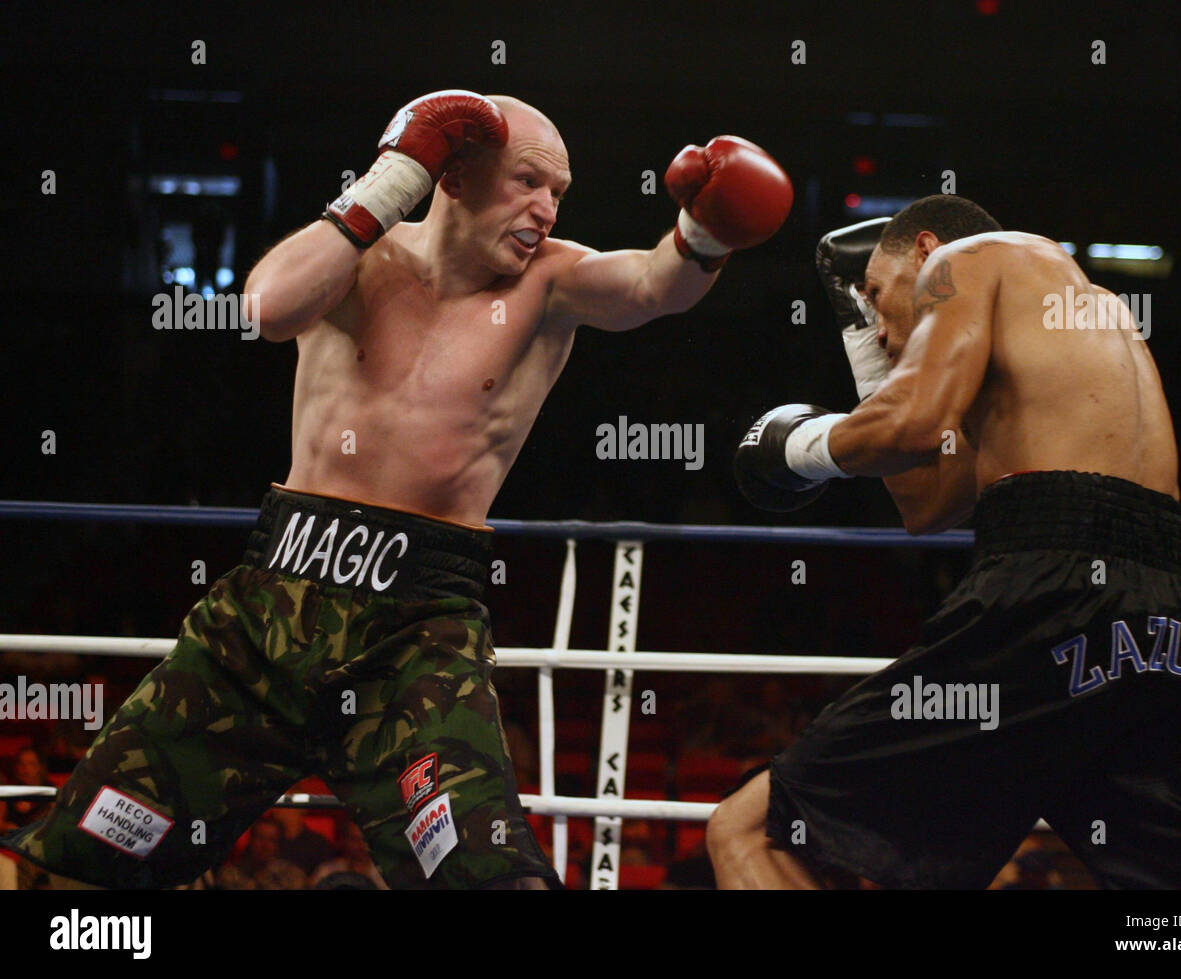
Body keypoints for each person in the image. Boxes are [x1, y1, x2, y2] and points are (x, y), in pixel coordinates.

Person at [3, 90, 792, 890]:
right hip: (268, 614)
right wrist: (392, 178)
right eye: (526, 182)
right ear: (451, 177)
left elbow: (657, 285)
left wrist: (704, 229)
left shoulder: (551, 284)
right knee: (77, 863)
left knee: (489, 877)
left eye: (558, 192)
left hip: (418, 637)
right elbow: (268, 309)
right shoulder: (355, 259)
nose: (546, 209)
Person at [710, 195, 1181, 889]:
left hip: (1051, 598)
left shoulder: (971, 258)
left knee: (746, 827)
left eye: (873, 297)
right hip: (1179, 632)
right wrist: (873, 368)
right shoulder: (1073, 332)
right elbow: (927, 505)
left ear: (924, 249)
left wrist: (798, 446)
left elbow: (915, 422)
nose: (877, 326)